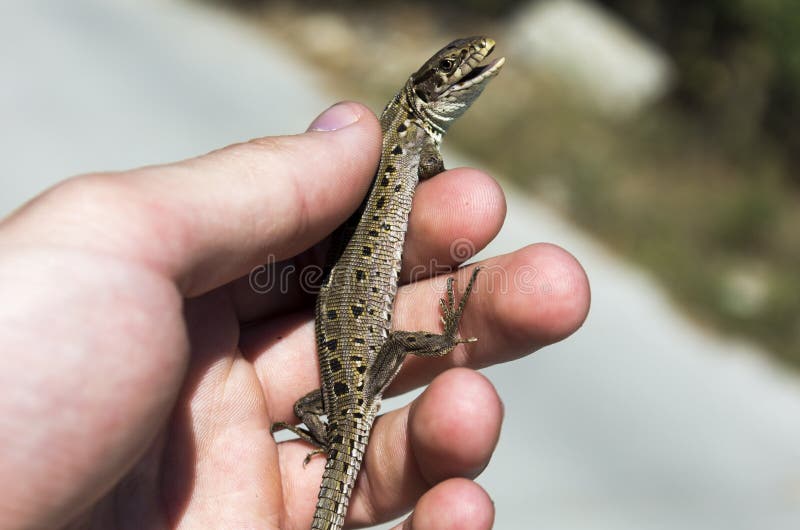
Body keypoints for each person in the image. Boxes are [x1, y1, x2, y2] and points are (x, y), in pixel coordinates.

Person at [0, 102, 589, 529]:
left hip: (339, 397)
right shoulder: (407, 140)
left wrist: (319, 434)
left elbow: (311, 407)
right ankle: (446, 337)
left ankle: (368, 401)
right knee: (399, 353)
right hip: (348, 391)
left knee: (328, 404)